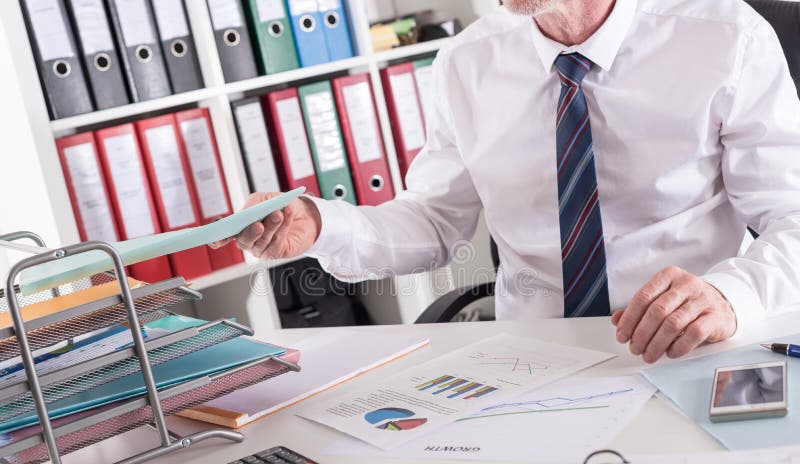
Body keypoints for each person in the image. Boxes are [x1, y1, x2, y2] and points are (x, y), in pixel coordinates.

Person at [215, 0, 800, 364]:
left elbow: (794, 217)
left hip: (688, 347)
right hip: (533, 361)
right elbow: (434, 221)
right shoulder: (466, 63)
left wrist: (731, 296)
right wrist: (321, 225)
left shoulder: (726, 37)